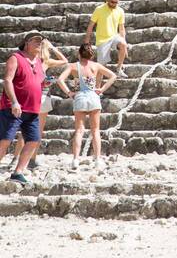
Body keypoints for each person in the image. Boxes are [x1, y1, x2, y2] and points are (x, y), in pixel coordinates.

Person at [56, 43, 117, 172]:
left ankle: (75, 159)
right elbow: (113, 76)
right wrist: (102, 89)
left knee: (79, 130)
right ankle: (97, 159)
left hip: (79, 97)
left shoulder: (73, 66)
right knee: (95, 130)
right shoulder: (96, 66)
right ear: (91, 54)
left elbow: (60, 80)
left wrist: (69, 92)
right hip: (93, 97)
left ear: (79, 54)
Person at [10, 37, 67, 175]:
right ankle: (31, 159)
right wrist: (52, 47)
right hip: (41, 97)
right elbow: (64, 60)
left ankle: (17, 158)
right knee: (35, 129)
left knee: (25, 130)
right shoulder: (44, 61)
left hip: (32, 97)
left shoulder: (30, 60)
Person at [0, 33, 46, 184]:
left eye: (41, 41)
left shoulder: (38, 61)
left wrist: (45, 84)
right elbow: (7, 80)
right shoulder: (16, 57)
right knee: (5, 140)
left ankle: (17, 172)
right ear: (27, 43)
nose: (40, 43)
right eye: (36, 41)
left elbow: (37, 82)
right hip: (14, 108)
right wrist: (14, 102)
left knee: (33, 140)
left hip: (32, 109)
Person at [86, 0, 129, 77]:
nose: (114, 4)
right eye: (112, 2)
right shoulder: (99, 9)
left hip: (114, 37)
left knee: (123, 44)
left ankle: (119, 69)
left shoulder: (120, 11)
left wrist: (125, 45)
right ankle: (98, 88)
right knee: (101, 67)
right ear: (107, 0)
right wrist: (87, 41)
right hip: (102, 40)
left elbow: (121, 28)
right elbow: (91, 25)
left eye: (116, 2)